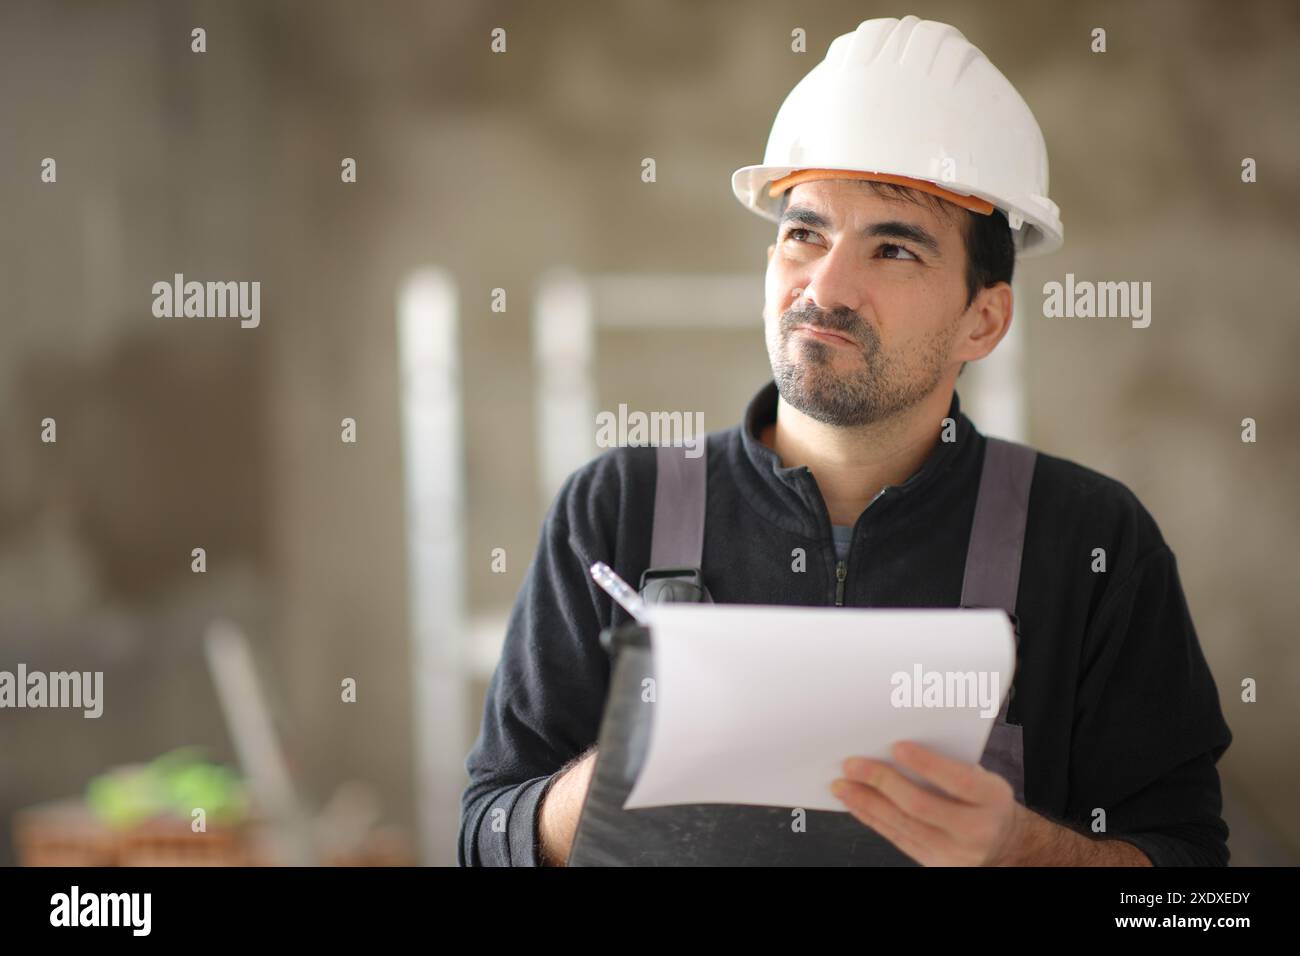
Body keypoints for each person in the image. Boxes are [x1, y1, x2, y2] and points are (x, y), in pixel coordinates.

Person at [458, 16, 1231, 866]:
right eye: (805, 233)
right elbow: (480, 836)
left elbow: (1196, 902)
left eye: (893, 248)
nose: (825, 287)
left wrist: (1019, 851)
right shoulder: (614, 509)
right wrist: (620, 775)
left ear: (984, 319)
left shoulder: (1093, 541)